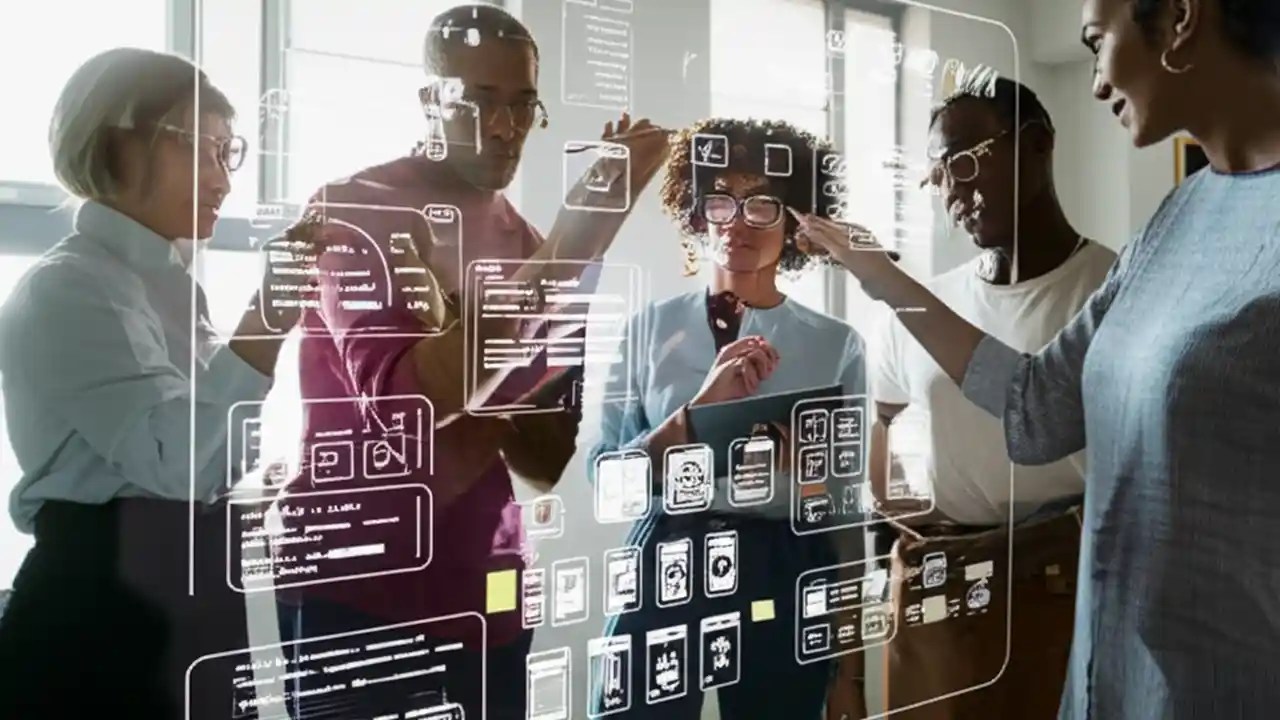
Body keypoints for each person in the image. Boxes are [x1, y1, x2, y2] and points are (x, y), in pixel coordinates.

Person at [795, 0, 1280, 716]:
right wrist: (879, 274)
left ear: (1179, 18)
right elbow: (1038, 408)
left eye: (1095, 43)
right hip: (1106, 678)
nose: (1093, 81)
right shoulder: (1175, 220)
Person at [270, 5, 671, 719]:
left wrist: (463, 329)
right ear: (430, 99)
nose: (507, 127)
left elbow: (545, 458)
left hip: (491, 595)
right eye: (480, 100)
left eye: (522, 104)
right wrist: (566, 252)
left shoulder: (526, 238)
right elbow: (407, 412)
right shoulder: (354, 210)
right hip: (361, 592)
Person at [0, 48, 314, 717]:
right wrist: (269, 313)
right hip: (95, 625)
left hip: (182, 610)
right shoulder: (66, 288)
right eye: (201, 148)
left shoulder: (173, 287)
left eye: (230, 151)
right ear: (117, 141)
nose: (223, 178)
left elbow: (199, 452)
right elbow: (178, 462)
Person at [832, 75, 1117, 720]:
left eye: (964, 161)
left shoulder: (1107, 289)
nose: (952, 190)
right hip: (941, 591)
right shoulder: (919, 308)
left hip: (1062, 584)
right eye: (938, 175)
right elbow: (879, 469)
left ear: (1038, 144)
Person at [589, 118, 868, 719]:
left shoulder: (835, 345)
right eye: (721, 200)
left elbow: (846, 516)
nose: (737, 221)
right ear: (696, 213)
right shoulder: (647, 330)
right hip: (668, 550)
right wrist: (697, 415)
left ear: (795, 220)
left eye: (762, 204)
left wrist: (850, 669)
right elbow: (605, 483)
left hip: (786, 561)